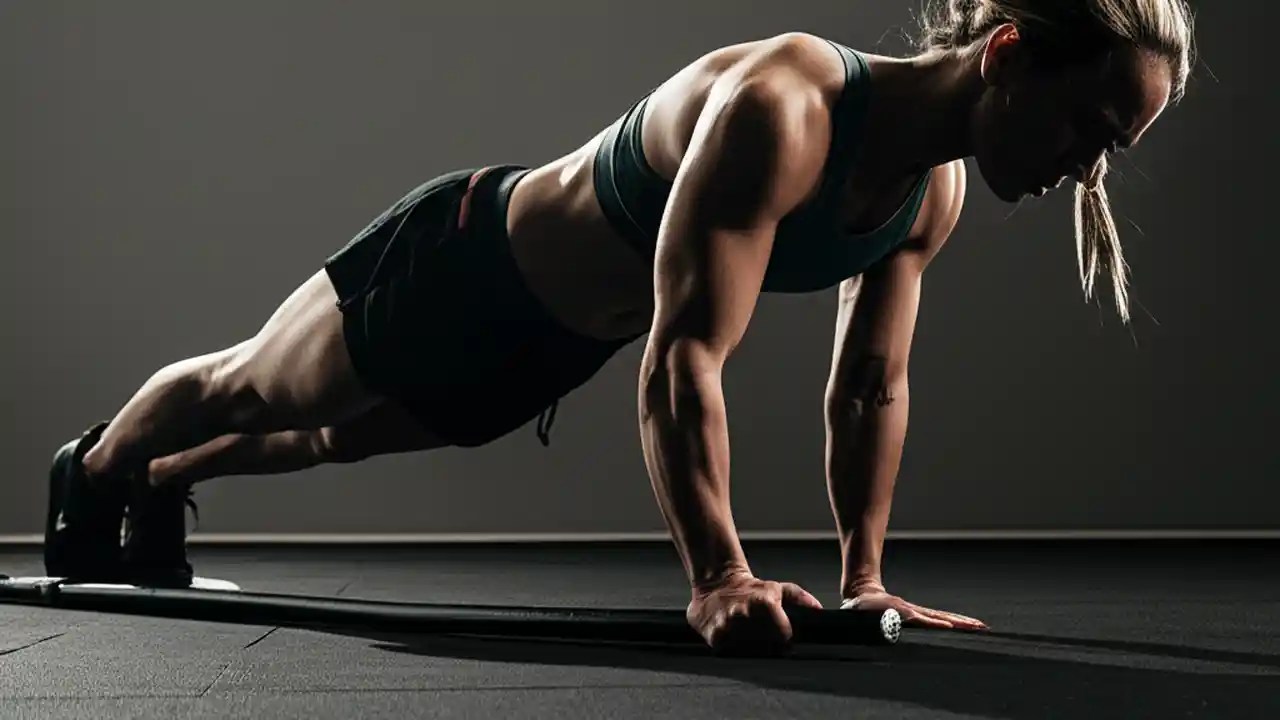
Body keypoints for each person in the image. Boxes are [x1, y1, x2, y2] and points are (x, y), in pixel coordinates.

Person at [43, 0, 1194, 656]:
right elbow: (686, 350)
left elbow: (870, 386)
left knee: (331, 439)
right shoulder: (785, 108)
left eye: (1110, 150)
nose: (1081, 168)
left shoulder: (924, 197)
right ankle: (93, 473)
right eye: (1085, 125)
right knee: (265, 390)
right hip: (463, 264)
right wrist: (720, 574)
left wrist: (865, 579)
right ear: (1006, 57)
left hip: (553, 344)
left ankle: (156, 483)